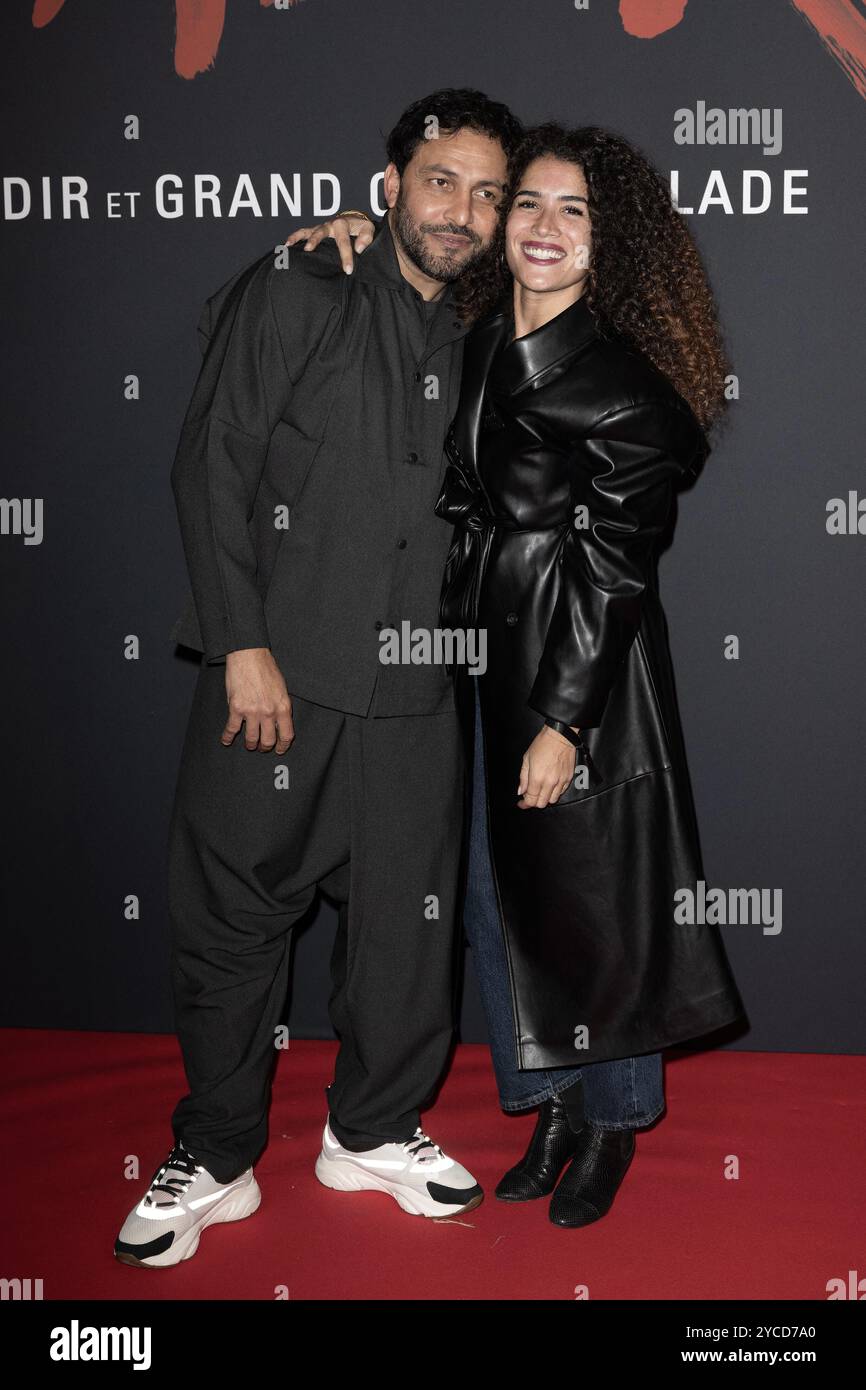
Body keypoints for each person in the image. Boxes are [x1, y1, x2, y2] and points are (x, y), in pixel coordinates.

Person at [114, 89, 525, 1268]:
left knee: (406, 931)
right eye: (441, 179)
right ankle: (220, 1153)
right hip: (277, 677)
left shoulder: (482, 338)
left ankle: (374, 1128)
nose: (463, 210)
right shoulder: (298, 283)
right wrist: (240, 642)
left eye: (486, 194)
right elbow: (211, 464)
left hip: (418, 691)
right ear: (387, 184)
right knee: (234, 919)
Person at [435, 123, 748, 1227]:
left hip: (585, 679)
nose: (545, 227)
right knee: (492, 900)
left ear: (604, 245)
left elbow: (615, 570)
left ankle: (613, 1121)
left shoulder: (621, 388)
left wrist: (561, 720)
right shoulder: (477, 341)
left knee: (598, 903)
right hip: (480, 663)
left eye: (573, 212)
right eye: (528, 203)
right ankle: (551, 1101)